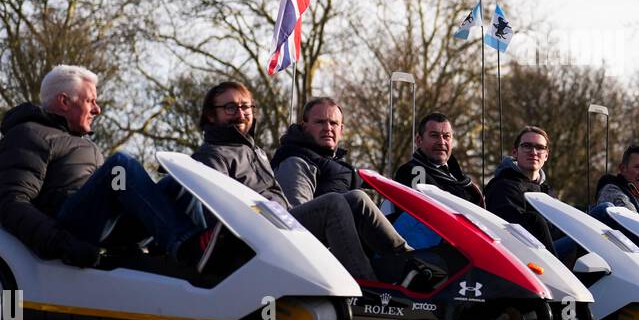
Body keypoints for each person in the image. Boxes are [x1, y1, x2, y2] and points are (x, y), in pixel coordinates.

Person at [0, 65, 207, 268]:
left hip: (105, 226)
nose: (98, 109)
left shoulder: (86, 145)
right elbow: (12, 202)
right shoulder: (29, 134)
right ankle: (187, 246)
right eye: (91, 101)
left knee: (178, 183)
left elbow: (113, 192)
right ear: (64, 102)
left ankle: (192, 254)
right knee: (120, 166)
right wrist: (64, 243)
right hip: (68, 228)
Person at [192, 81, 408, 281]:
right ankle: (365, 286)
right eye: (230, 107)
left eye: (245, 107)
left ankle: (410, 262)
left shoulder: (252, 150)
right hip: (264, 231)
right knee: (334, 204)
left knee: (357, 198)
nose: (240, 113)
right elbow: (216, 208)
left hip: (279, 220)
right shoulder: (214, 155)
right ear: (211, 115)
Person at [484, 126, 561, 252]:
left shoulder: (548, 191)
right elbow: (512, 234)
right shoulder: (503, 186)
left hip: (555, 246)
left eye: (540, 147)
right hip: (531, 256)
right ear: (515, 152)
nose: (534, 152)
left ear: (546, 155)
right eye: (527, 146)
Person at [271, 96, 359, 206]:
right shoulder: (294, 162)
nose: (327, 128)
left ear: (341, 130)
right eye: (320, 122)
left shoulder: (339, 165)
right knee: (359, 199)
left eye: (333, 123)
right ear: (304, 126)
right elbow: (297, 216)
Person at [393, 113, 484, 206]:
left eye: (446, 136)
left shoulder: (462, 180)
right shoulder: (410, 172)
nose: (441, 142)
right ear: (419, 140)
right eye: (434, 135)